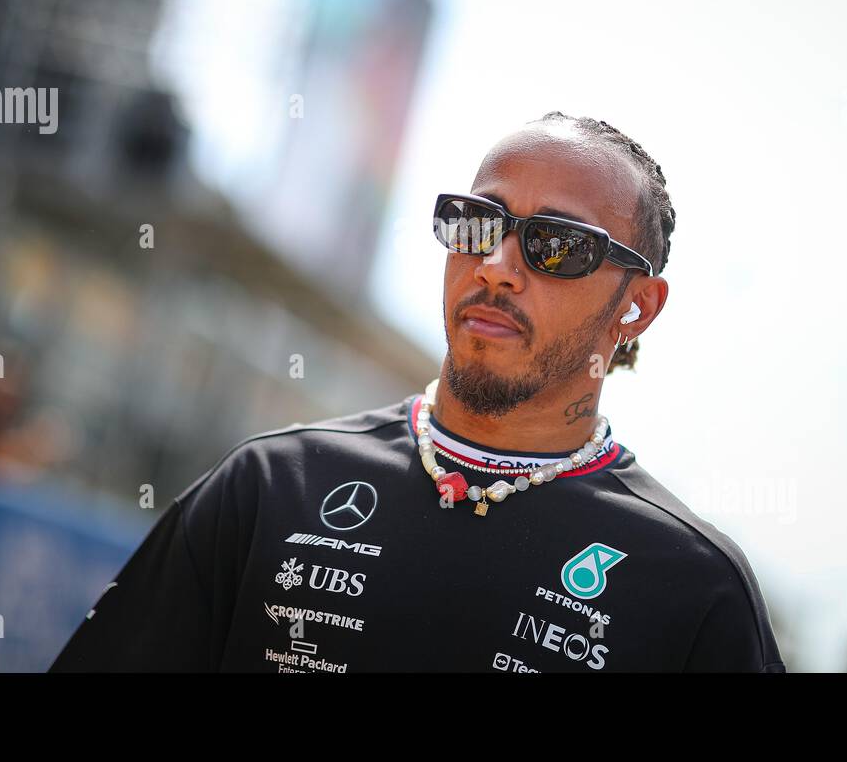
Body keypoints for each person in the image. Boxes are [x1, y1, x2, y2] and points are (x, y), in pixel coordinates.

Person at [50, 111, 785, 673]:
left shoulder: (692, 591)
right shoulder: (272, 487)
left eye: (557, 245)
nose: (496, 266)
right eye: (477, 222)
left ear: (637, 307)